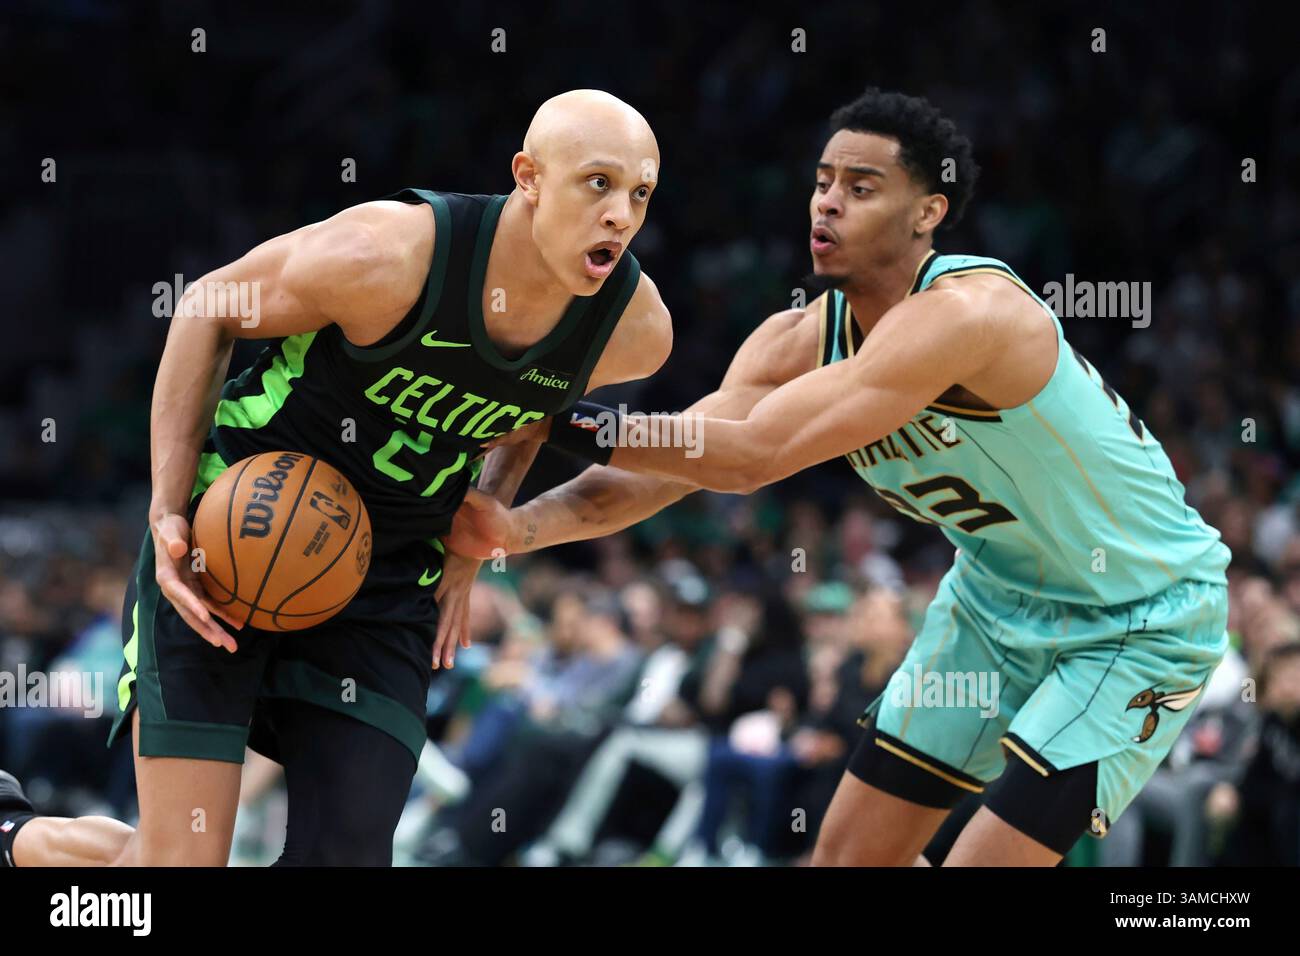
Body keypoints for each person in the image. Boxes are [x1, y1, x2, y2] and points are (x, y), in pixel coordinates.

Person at [447, 87, 1231, 866]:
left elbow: (751, 455)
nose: (827, 203)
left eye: (861, 188)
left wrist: (559, 418)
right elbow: (675, 466)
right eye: (823, 182)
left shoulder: (970, 314)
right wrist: (516, 528)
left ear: (927, 212)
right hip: (995, 600)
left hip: (1140, 614)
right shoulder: (793, 342)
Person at [0, 89, 672, 867]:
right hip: (241, 529)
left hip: (388, 582)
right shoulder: (387, 255)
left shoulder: (633, 330)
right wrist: (167, 507)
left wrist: (479, 526)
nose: (621, 214)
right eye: (598, 183)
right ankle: (16, 837)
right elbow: (210, 304)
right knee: (177, 862)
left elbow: (529, 410)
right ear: (528, 176)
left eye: (641, 194)